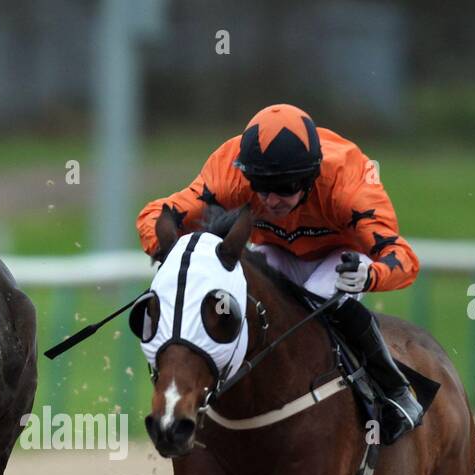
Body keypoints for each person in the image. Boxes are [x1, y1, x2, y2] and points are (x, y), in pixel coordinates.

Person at [137, 104, 424, 442]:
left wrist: (369, 276)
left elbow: (403, 259)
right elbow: (157, 213)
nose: (271, 200)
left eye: (285, 187)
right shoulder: (229, 171)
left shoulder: (349, 183)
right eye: (261, 186)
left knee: (321, 296)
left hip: (340, 255)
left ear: (310, 177)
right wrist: (169, 254)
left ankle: (396, 392)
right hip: (273, 249)